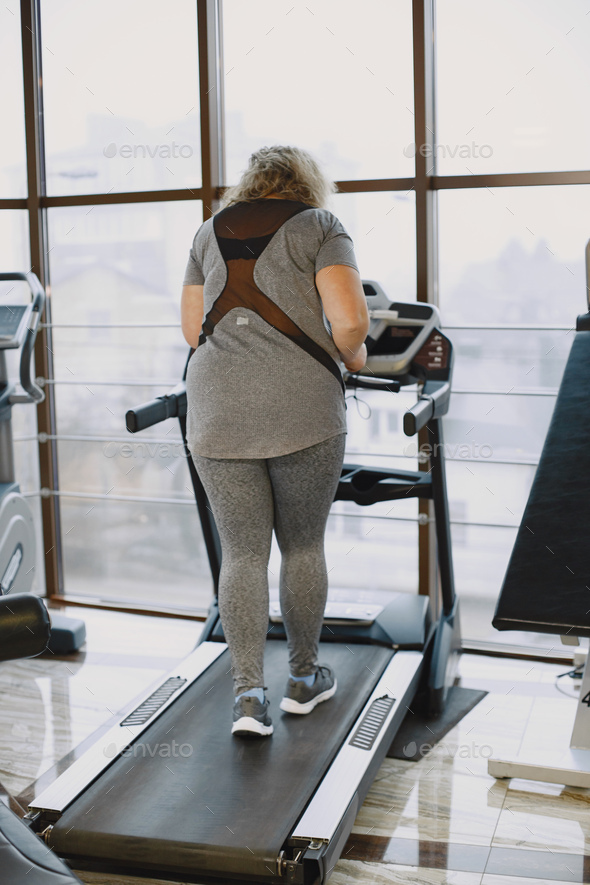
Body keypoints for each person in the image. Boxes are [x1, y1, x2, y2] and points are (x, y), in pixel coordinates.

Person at [180, 145, 369, 737]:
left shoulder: (208, 231)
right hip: (302, 408)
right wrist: (354, 354)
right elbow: (353, 322)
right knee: (303, 547)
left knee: (241, 553)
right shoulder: (320, 225)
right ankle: (305, 679)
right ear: (308, 182)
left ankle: (247, 698)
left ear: (250, 182)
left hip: (215, 408)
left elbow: (192, 330)